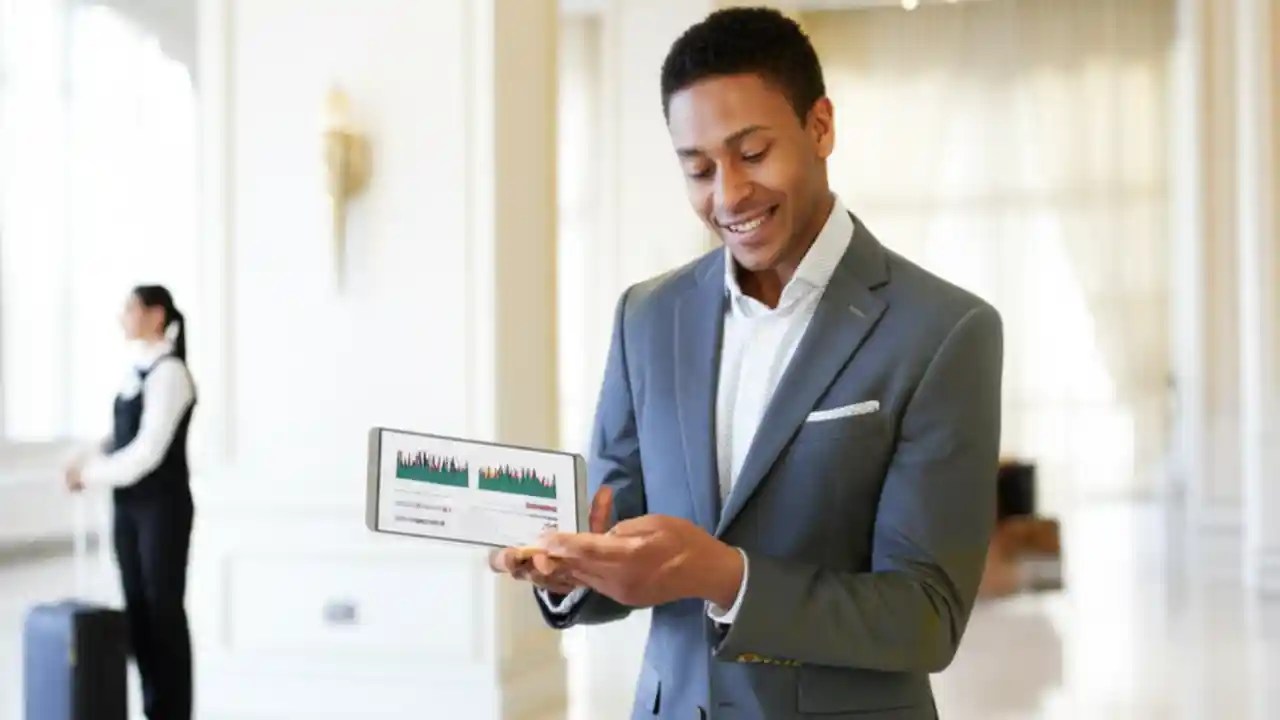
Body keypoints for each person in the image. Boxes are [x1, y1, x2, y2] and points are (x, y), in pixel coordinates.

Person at [492, 7, 1003, 719]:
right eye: (698, 169)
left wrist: (727, 577)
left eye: (754, 153)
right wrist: (571, 570)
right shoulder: (646, 316)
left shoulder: (944, 330)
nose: (728, 195)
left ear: (820, 127)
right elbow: (622, 533)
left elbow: (925, 615)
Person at [65, 285, 197, 720]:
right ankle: (152, 708)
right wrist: (86, 459)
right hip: (128, 508)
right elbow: (121, 438)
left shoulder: (170, 374)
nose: (123, 316)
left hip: (162, 510)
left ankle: (171, 712)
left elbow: (147, 451)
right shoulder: (135, 371)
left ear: (156, 315)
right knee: (138, 613)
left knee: (162, 614)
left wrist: (90, 475)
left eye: (130, 308)